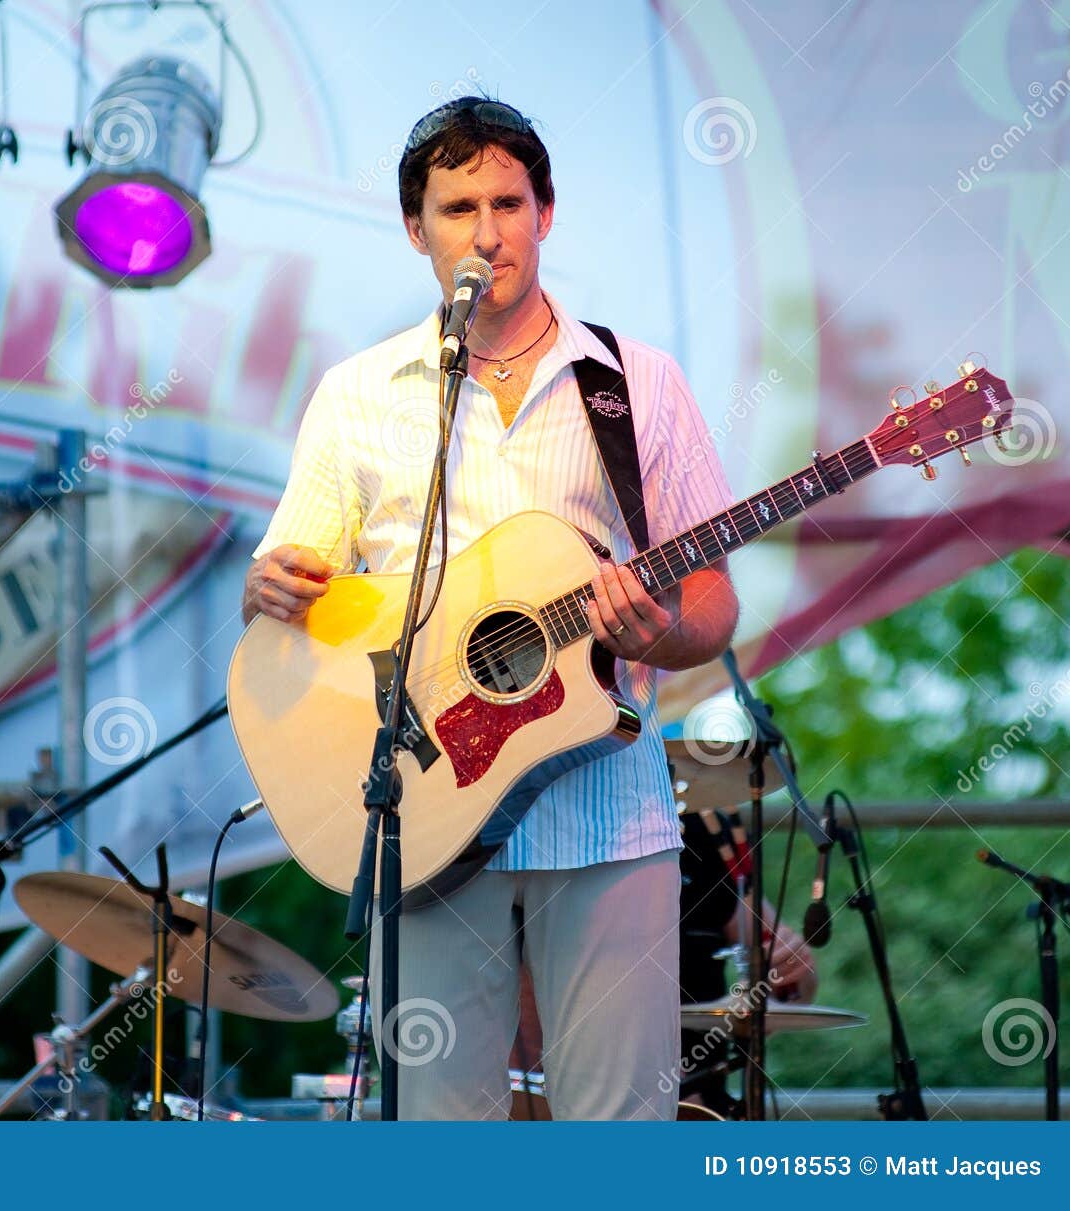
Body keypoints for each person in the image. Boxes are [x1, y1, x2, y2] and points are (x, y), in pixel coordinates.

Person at [241, 95, 739, 1120]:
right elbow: (298, 592)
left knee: (620, 1131)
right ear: (416, 227)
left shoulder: (635, 382)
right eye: (457, 205)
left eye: (507, 201)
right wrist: (269, 586)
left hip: (610, 814)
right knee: (441, 1134)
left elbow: (712, 600)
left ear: (545, 213)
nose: (486, 230)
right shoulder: (358, 391)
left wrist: (665, 628)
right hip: (420, 817)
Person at [511, 807, 820, 1117]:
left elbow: (796, 982)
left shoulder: (706, 827)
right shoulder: (556, 830)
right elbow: (518, 998)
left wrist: (792, 972)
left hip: (697, 1100)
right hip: (586, 1098)